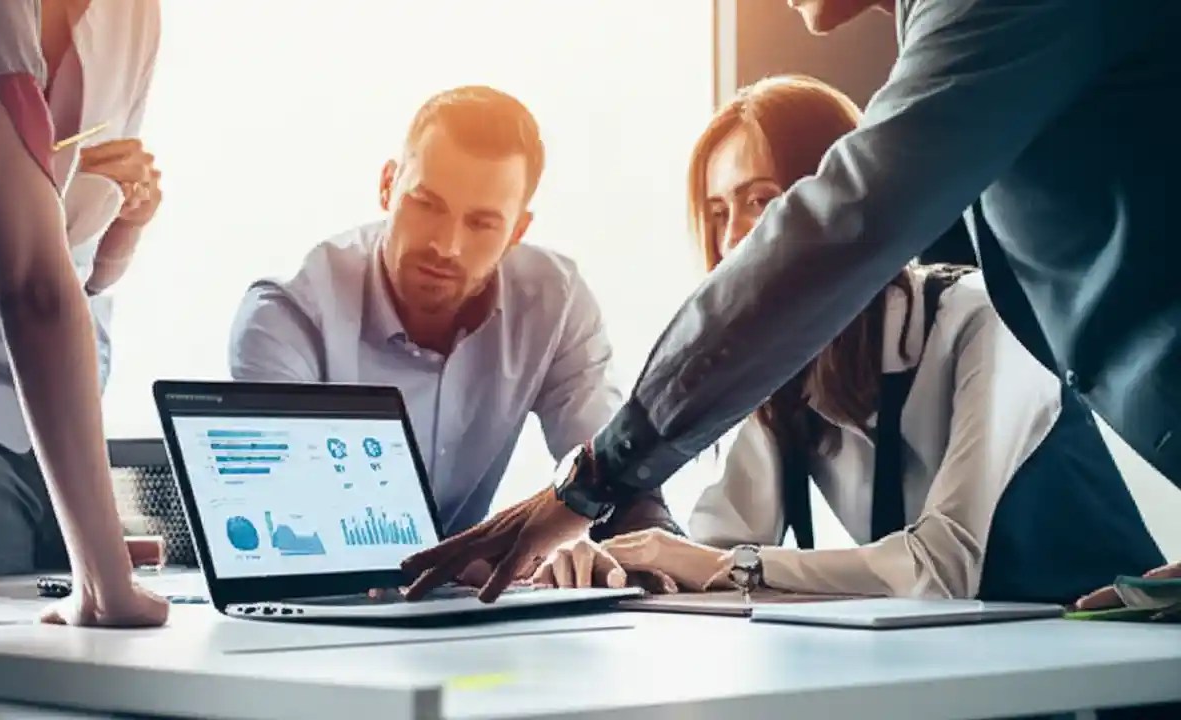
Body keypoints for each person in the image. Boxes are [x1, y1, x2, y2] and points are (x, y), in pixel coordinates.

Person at [401, 0, 1180, 604]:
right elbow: (706, 540)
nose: (739, 241)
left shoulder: (969, 315)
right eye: (716, 213)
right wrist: (613, 559)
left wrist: (594, 481)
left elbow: (842, 226)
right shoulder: (790, 378)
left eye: (767, 204)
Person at [229, 86, 663, 539]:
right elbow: (288, 524)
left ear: (517, 229)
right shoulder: (287, 318)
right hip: (333, 601)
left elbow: (610, 478)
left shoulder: (555, 301)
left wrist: (564, 547)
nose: (445, 246)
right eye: (427, 205)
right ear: (387, 185)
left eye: (481, 223)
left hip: (466, 595)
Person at [0, 0, 166, 627]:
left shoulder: (134, 19)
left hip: (14, 398)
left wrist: (92, 551)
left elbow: (62, 274)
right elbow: (36, 284)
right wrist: (104, 583)